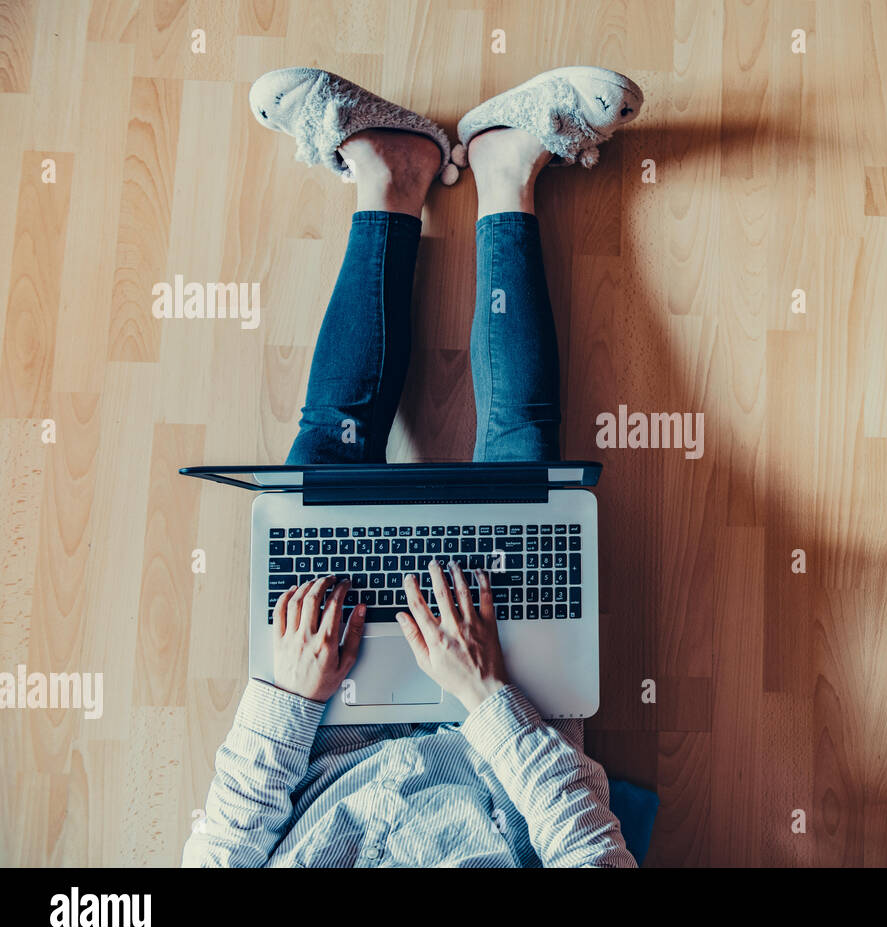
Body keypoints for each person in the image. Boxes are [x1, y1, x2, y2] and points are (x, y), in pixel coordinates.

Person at [182, 66, 644, 867]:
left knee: (325, 456)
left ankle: (391, 177)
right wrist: (486, 695)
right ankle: (505, 170)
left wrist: (285, 697)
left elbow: (221, 847)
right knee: (522, 458)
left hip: (321, 726)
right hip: (501, 746)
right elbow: (591, 850)